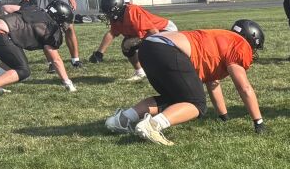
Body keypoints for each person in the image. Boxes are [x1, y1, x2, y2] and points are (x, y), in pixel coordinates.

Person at [106, 20, 267, 146]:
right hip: (168, 49)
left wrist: (223, 117)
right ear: (251, 40)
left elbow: (213, 83)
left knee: (173, 99)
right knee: (196, 104)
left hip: (149, 47)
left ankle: (122, 119)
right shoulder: (240, 45)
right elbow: (244, 87)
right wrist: (258, 122)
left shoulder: (221, 39)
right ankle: (153, 125)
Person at [0, 0, 77, 100]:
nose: (64, 26)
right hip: (0, 34)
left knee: (13, 60)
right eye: (64, 22)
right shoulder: (50, 27)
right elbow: (56, 60)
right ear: (58, 18)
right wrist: (67, 82)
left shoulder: (33, 8)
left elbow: (6, 7)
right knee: (23, 70)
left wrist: (2, 19)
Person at [100, 0, 175, 82]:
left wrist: (144, 45)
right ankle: (140, 73)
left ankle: (166, 72)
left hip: (164, 30)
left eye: (107, 12)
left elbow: (154, 32)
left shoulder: (132, 11)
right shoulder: (117, 17)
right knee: (126, 46)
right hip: (151, 32)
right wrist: (99, 52)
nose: (106, 15)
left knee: (151, 48)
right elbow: (112, 33)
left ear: (116, 9)